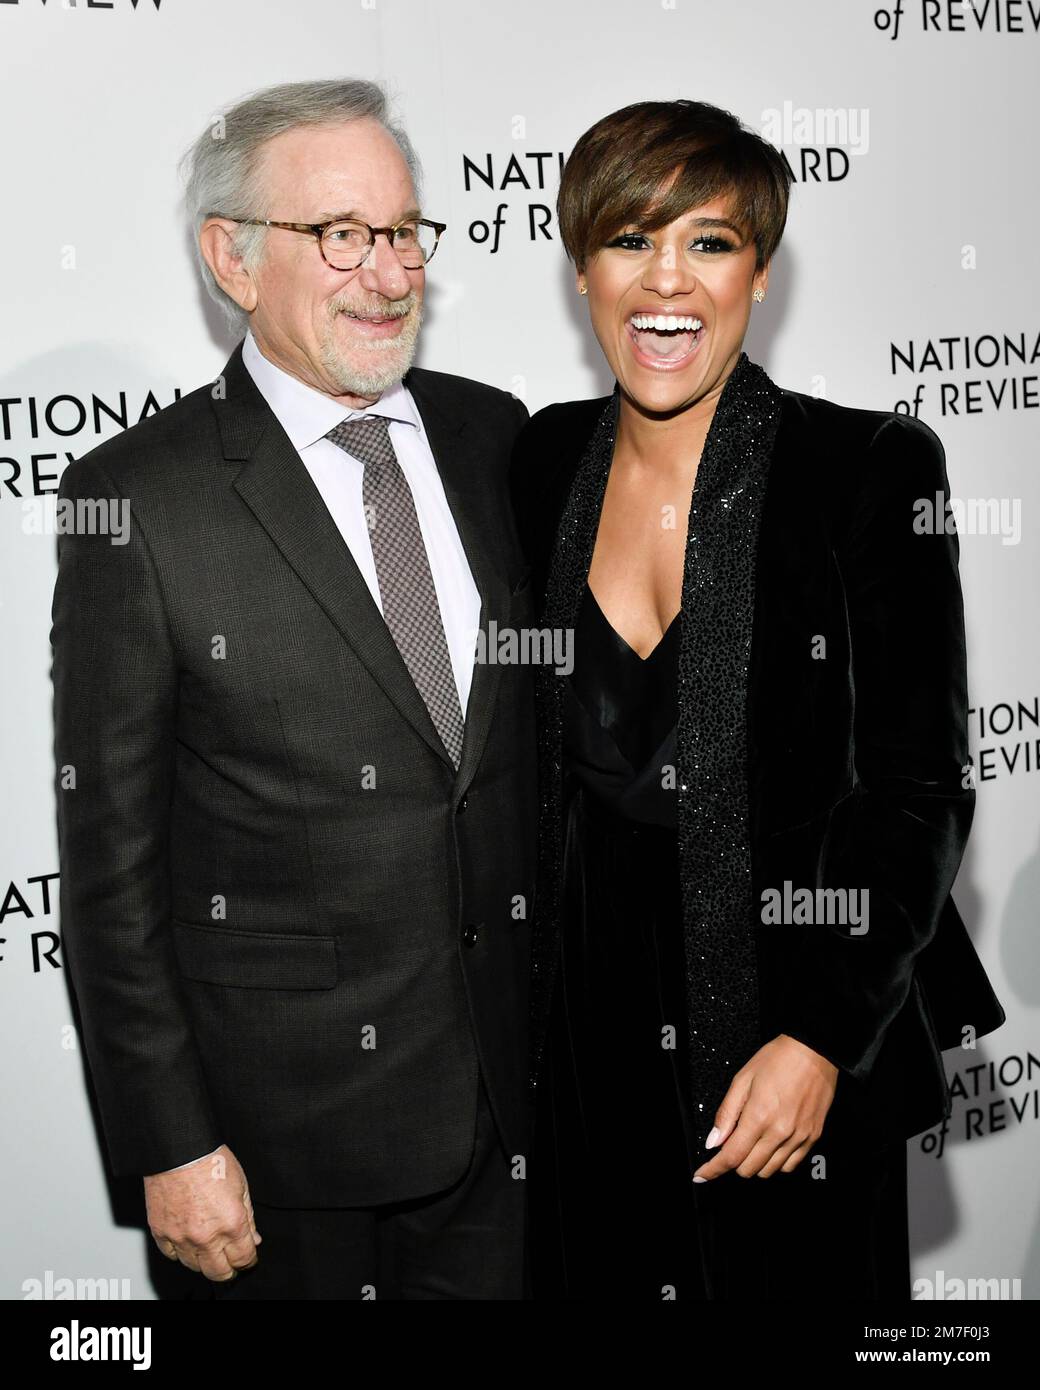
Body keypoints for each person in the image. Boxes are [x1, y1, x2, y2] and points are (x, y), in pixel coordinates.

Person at [509, 98, 1006, 1300]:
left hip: (790, 1006)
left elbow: (915, 787)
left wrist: (823, 1037)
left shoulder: (865, 469)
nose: (662, 279)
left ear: (760, 274)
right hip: (584, 1020)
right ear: (581, 266)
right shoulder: (536, 461)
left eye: (708, 242)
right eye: (628, 238)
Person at [51, 78, 537, 1300]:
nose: (387, 274)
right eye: (339, 236)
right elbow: (111, 872)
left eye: (404, 231)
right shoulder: (139, 504)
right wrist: (168, 1141)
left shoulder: (497, 438)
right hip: (278, 1162)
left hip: (510, 1124)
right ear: (232, 257)